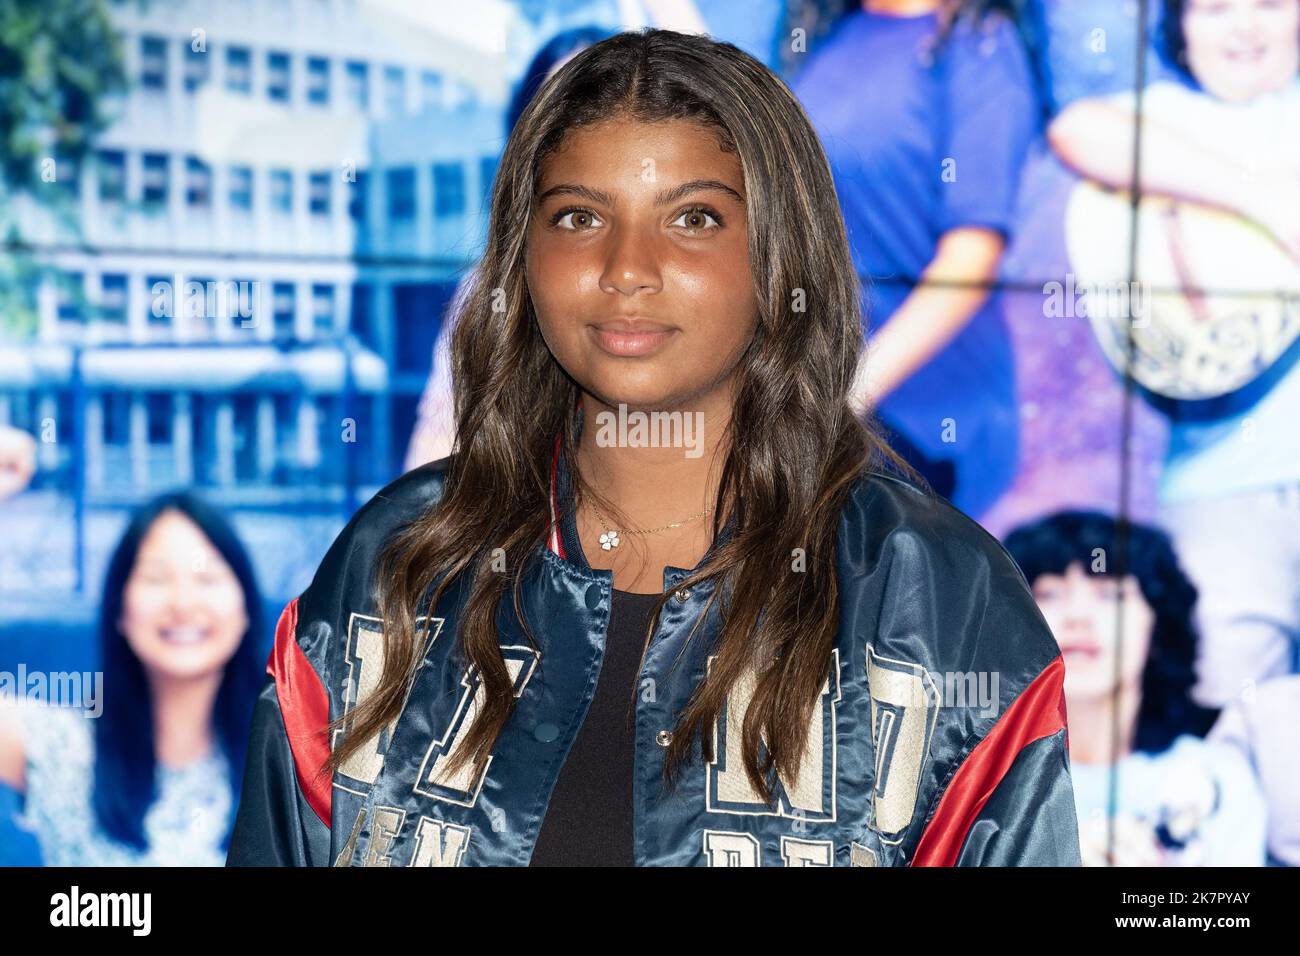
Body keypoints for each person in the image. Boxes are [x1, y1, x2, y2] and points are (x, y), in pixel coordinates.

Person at [228, 28, 1080, 868]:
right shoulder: (396, 565)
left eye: (695, 217)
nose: (627, 268)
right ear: (523, 254)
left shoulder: (938, 599)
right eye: (578, 216)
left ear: (782, 254)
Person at [1047, 0, 1300, 709]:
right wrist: (1271, 207)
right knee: (1232, 719)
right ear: (1179, 29)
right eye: (1216, 8)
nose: (1244, 27)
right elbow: (1077, 129)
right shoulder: (1160, 118)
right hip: (1224, 491)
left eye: (1270, 4)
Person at [782, 0, 1043, 518]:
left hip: (918, 413)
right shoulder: (830, 32)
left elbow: (971, 260)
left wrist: (850, 393)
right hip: (814, 393)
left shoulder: (978, 43)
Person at [0, 492, 266, 865]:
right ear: (120, 610)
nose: (183, 603)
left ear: (245, 608)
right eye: (156, 578)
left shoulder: (294, 763)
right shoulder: (63, 749)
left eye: (207, 578)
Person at [1005, 511, 1268, 866]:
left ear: (1158, 627)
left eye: (1110, 595)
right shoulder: (981, 782)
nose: (1077, 615)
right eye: (1050, 594)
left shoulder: (1218, 780)